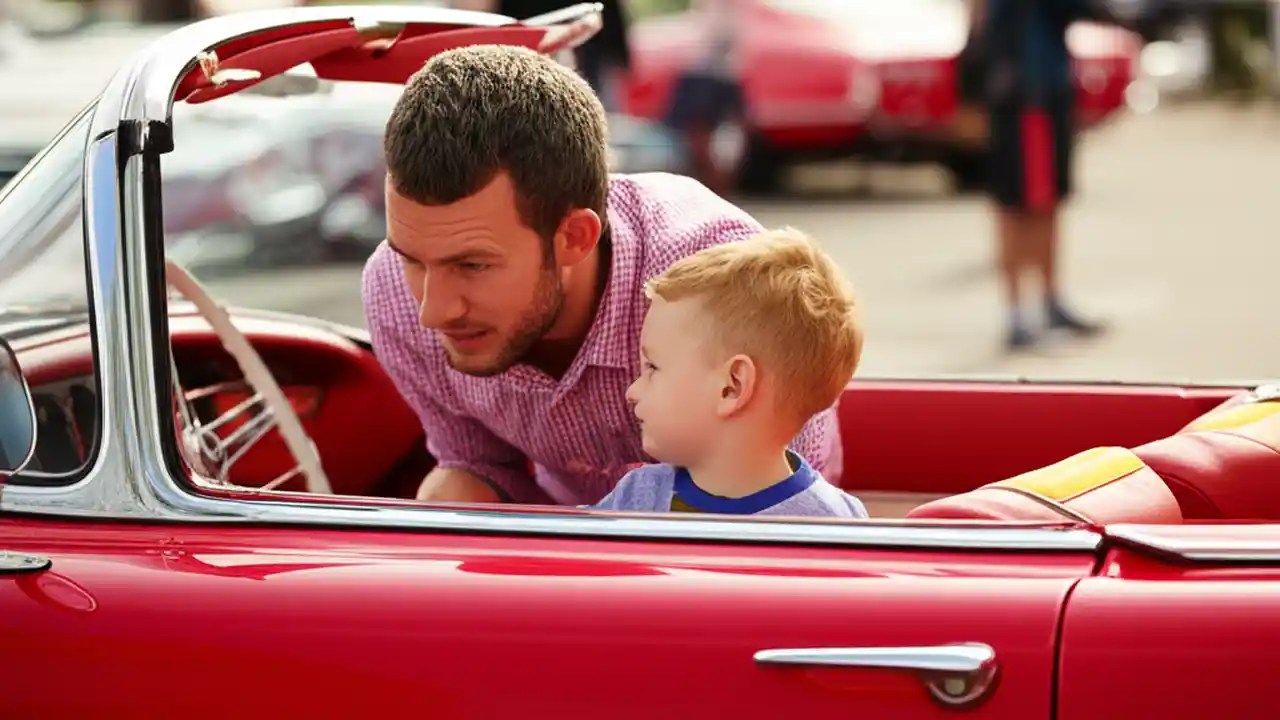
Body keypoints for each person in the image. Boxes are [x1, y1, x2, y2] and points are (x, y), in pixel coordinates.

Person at [362, 44, 843, 506]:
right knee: (450, 495)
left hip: (731, 548)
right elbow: (476, 465)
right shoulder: (391, 294)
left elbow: (782, 504)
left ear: (574, 237)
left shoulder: (725, 282)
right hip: (566, 546)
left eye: (473, 265)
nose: (433, 310)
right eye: (413, 259)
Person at [592, 230, 867, 518]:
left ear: (732, 387)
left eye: (652, 368)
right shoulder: (636, 495)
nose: (632, 391)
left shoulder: (832, 525)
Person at [970, 0, 1130, 350]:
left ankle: (1049, 299)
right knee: (1013, 205)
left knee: (1050, 201)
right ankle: (1015, 311)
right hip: (1016, 94)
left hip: (1049, 88)